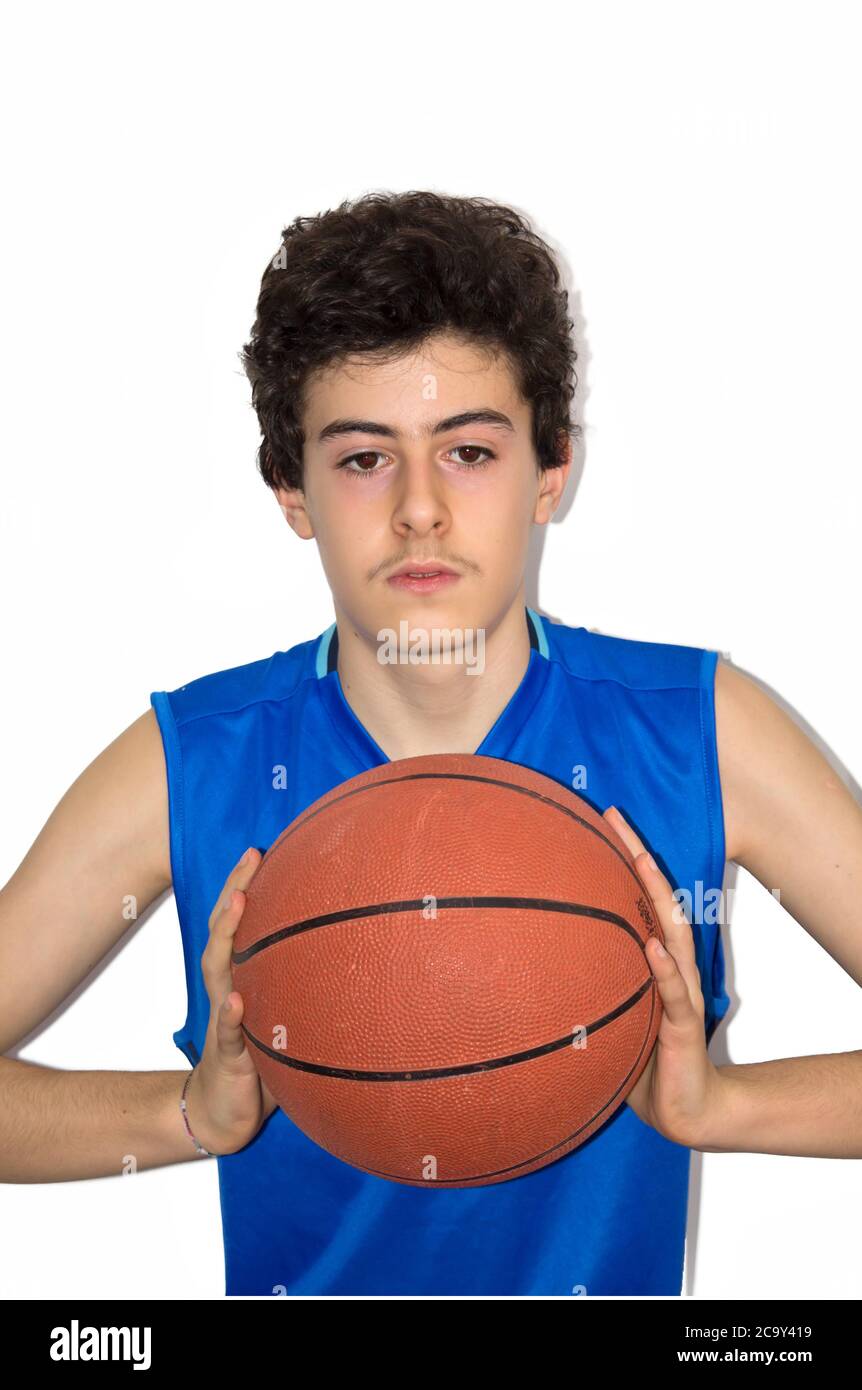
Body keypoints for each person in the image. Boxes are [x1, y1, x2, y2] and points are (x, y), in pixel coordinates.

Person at [2, 191, 860, 1298]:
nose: (418, 510)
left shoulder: (693, 730)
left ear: (551, 470)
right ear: (291, 490)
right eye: (363, 459)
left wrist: (727, 1107)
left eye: (466, 450)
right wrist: (185, 1114)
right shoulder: (198, 759)